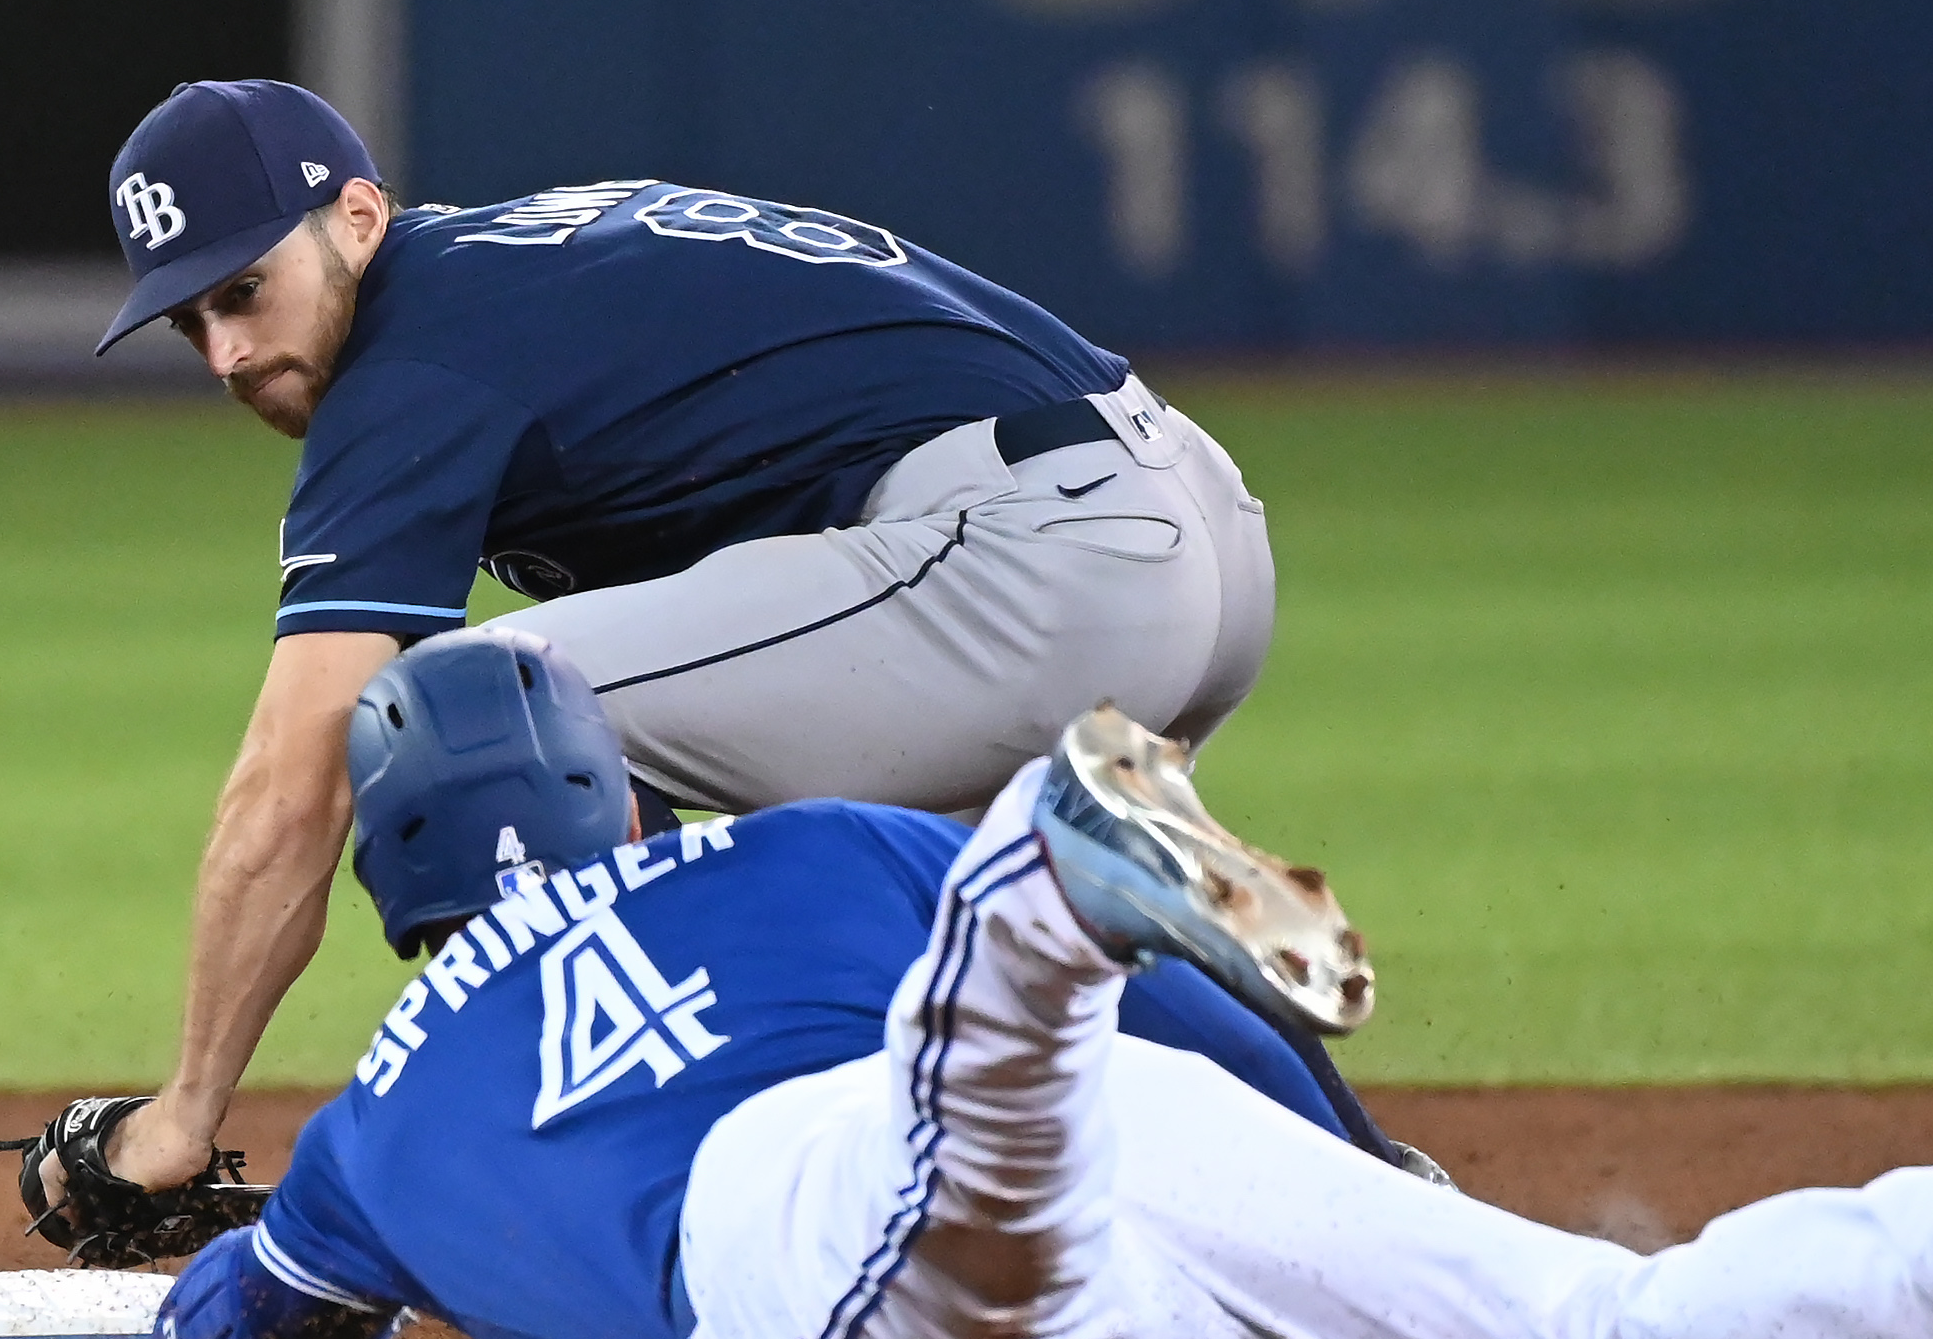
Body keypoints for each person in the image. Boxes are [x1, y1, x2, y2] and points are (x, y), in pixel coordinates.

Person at [150, 632, 1933, 1339]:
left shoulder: (378, 1110)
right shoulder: (795, 842)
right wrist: (1369, 1156)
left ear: (390, 886)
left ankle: (1052, 877)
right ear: (621, 793)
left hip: (808, 1255)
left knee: (962, 1137)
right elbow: (1228, 1061)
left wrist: (228, 1284)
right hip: (1136, 1154)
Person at [73, 79, 1273, 1206]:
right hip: (1175, 514)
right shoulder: (506, 272)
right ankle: (1326, 1161)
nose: (225, 353)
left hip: (1039, 554)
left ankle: (600, 1172)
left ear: (358, 217)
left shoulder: (412, 359)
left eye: (243, 290)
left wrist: (180, 1118)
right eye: (190, 320)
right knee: (998, 928)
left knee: (469, 715)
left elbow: (296, 780)